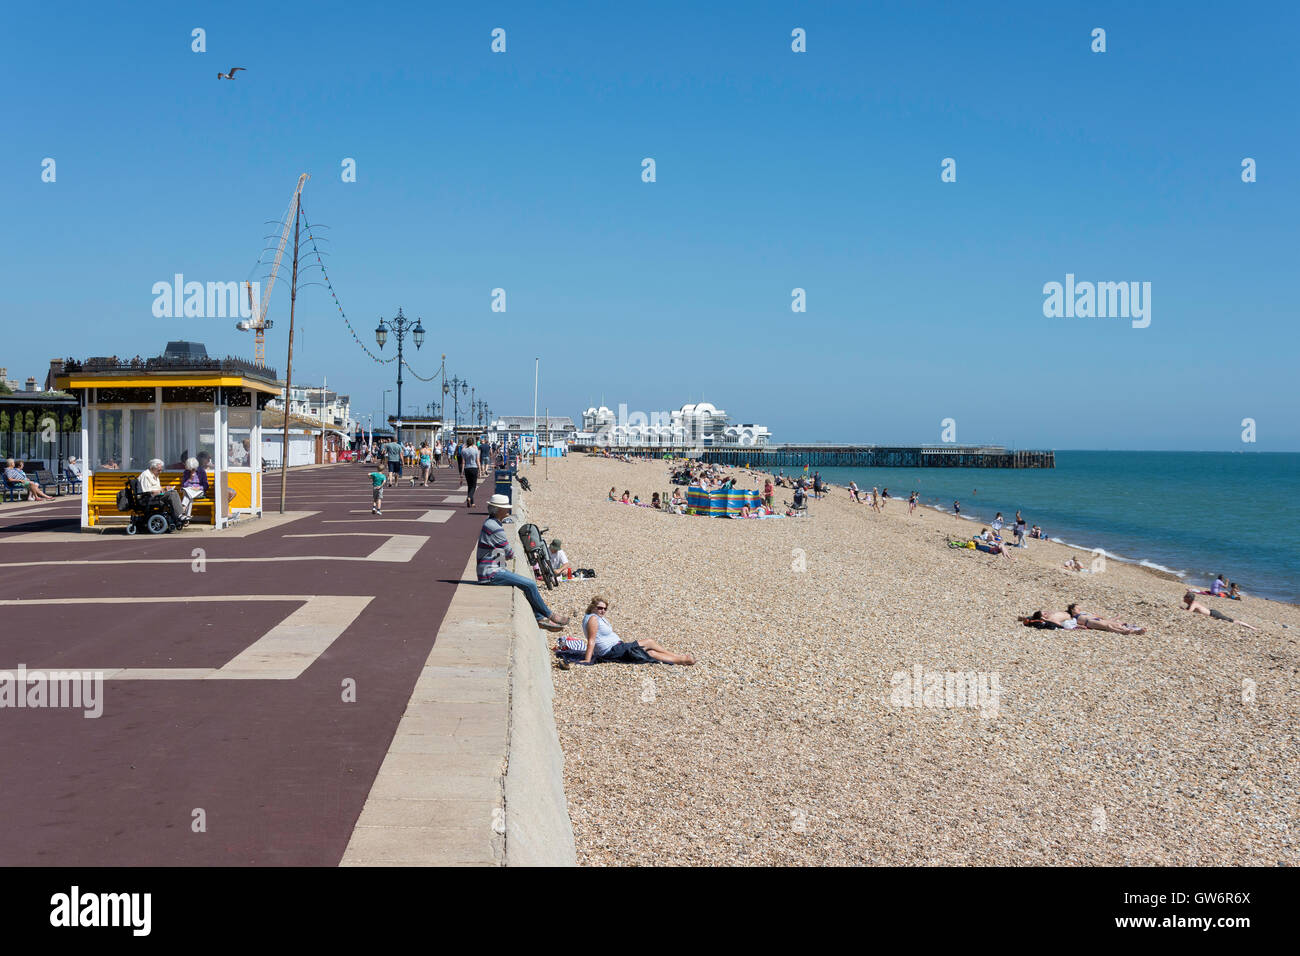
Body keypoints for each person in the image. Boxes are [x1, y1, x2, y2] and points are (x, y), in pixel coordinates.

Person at [477, 494, 569, 631]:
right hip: (490, 574)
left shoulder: (490, 522)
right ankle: (550, 615)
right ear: (497, 510)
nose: (507, 511)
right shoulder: (494, 527)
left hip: (491, 569)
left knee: (526, 584)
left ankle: (539, 618)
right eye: (505, 508)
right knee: (530, 584)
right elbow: (509, 553)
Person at [577, 597, 695, 665]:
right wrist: (587, 660)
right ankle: (679, 656)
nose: (602, 611)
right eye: (600, 608)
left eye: (605, 609)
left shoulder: (596, 617)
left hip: (615, 649)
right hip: (612, 650)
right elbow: (591, 640)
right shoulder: (593, 618)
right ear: (592, 607)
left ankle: (679, 660)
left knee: (649, 653)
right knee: (649, 642)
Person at [137, 458, 185, 525]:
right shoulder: (146, 475)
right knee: (172, 494)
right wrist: (164, 490)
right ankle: (180, 515)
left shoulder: (155, 475)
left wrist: (165, 489)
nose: (160, 472)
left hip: (155, 497)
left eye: (161, 470)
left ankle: (177, 518)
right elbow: (148, 492)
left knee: (173, 492)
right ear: (153, 468)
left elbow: (157, 489)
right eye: (159, 470)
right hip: (148, 498)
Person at [1182, 591, 1257, 630]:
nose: (1183, 597)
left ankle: (1252, 627)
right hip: (1212, 613)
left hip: (1213, 614)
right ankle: (1251, 627)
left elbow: (1189, 612)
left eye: (1185, 597)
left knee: (1233, 621)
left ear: (1188, 598)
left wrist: (1183, 609)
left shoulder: (1193, 604)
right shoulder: (1191, 604)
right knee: (1231, 620)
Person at [1066, 603, 1145, 635]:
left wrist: (1116, 617)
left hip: (1096, 620)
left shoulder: (1083, 613)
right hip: (1089, 622)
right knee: (1108, 627)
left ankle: (1136, 631)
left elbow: (1100, 617)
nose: (1079, 608)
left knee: (1116, 624)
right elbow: (1072, 623)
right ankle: (1122, 632)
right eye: (1077, 608)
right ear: (1073, 610)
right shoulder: (1073, 616)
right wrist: (1079, 627)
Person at [462, 438, 481, 507]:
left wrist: (461, 473)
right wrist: (480, 470)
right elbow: (478, 461)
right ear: (473, 443)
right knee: (473, 486)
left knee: (469, 486)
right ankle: (469, 497)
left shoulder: (463, 451)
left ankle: (472, 503)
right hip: (474, 468)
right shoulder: (475, 450)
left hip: (467, 468)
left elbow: (463, 462)